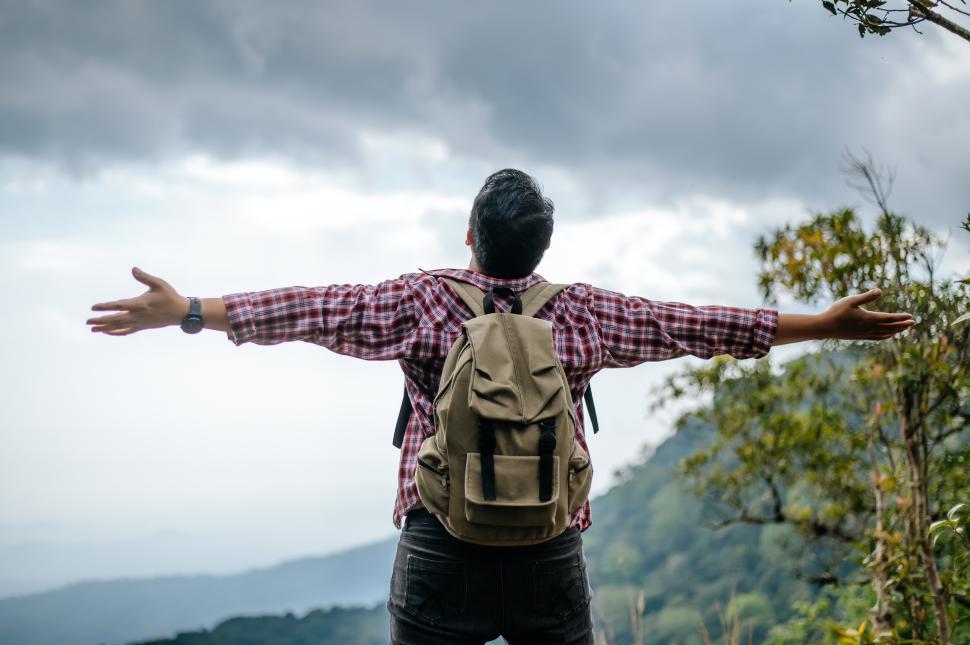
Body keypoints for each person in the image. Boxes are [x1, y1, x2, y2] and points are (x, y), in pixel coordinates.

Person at [86, 168, 916, 644]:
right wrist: (825, 325)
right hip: (549, 555)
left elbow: (313, 307)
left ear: (470, 236)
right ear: (542, 249)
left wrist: (191, 309)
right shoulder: (583, 312)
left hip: (440, 547)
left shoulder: (421, 301)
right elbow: (695, 325)